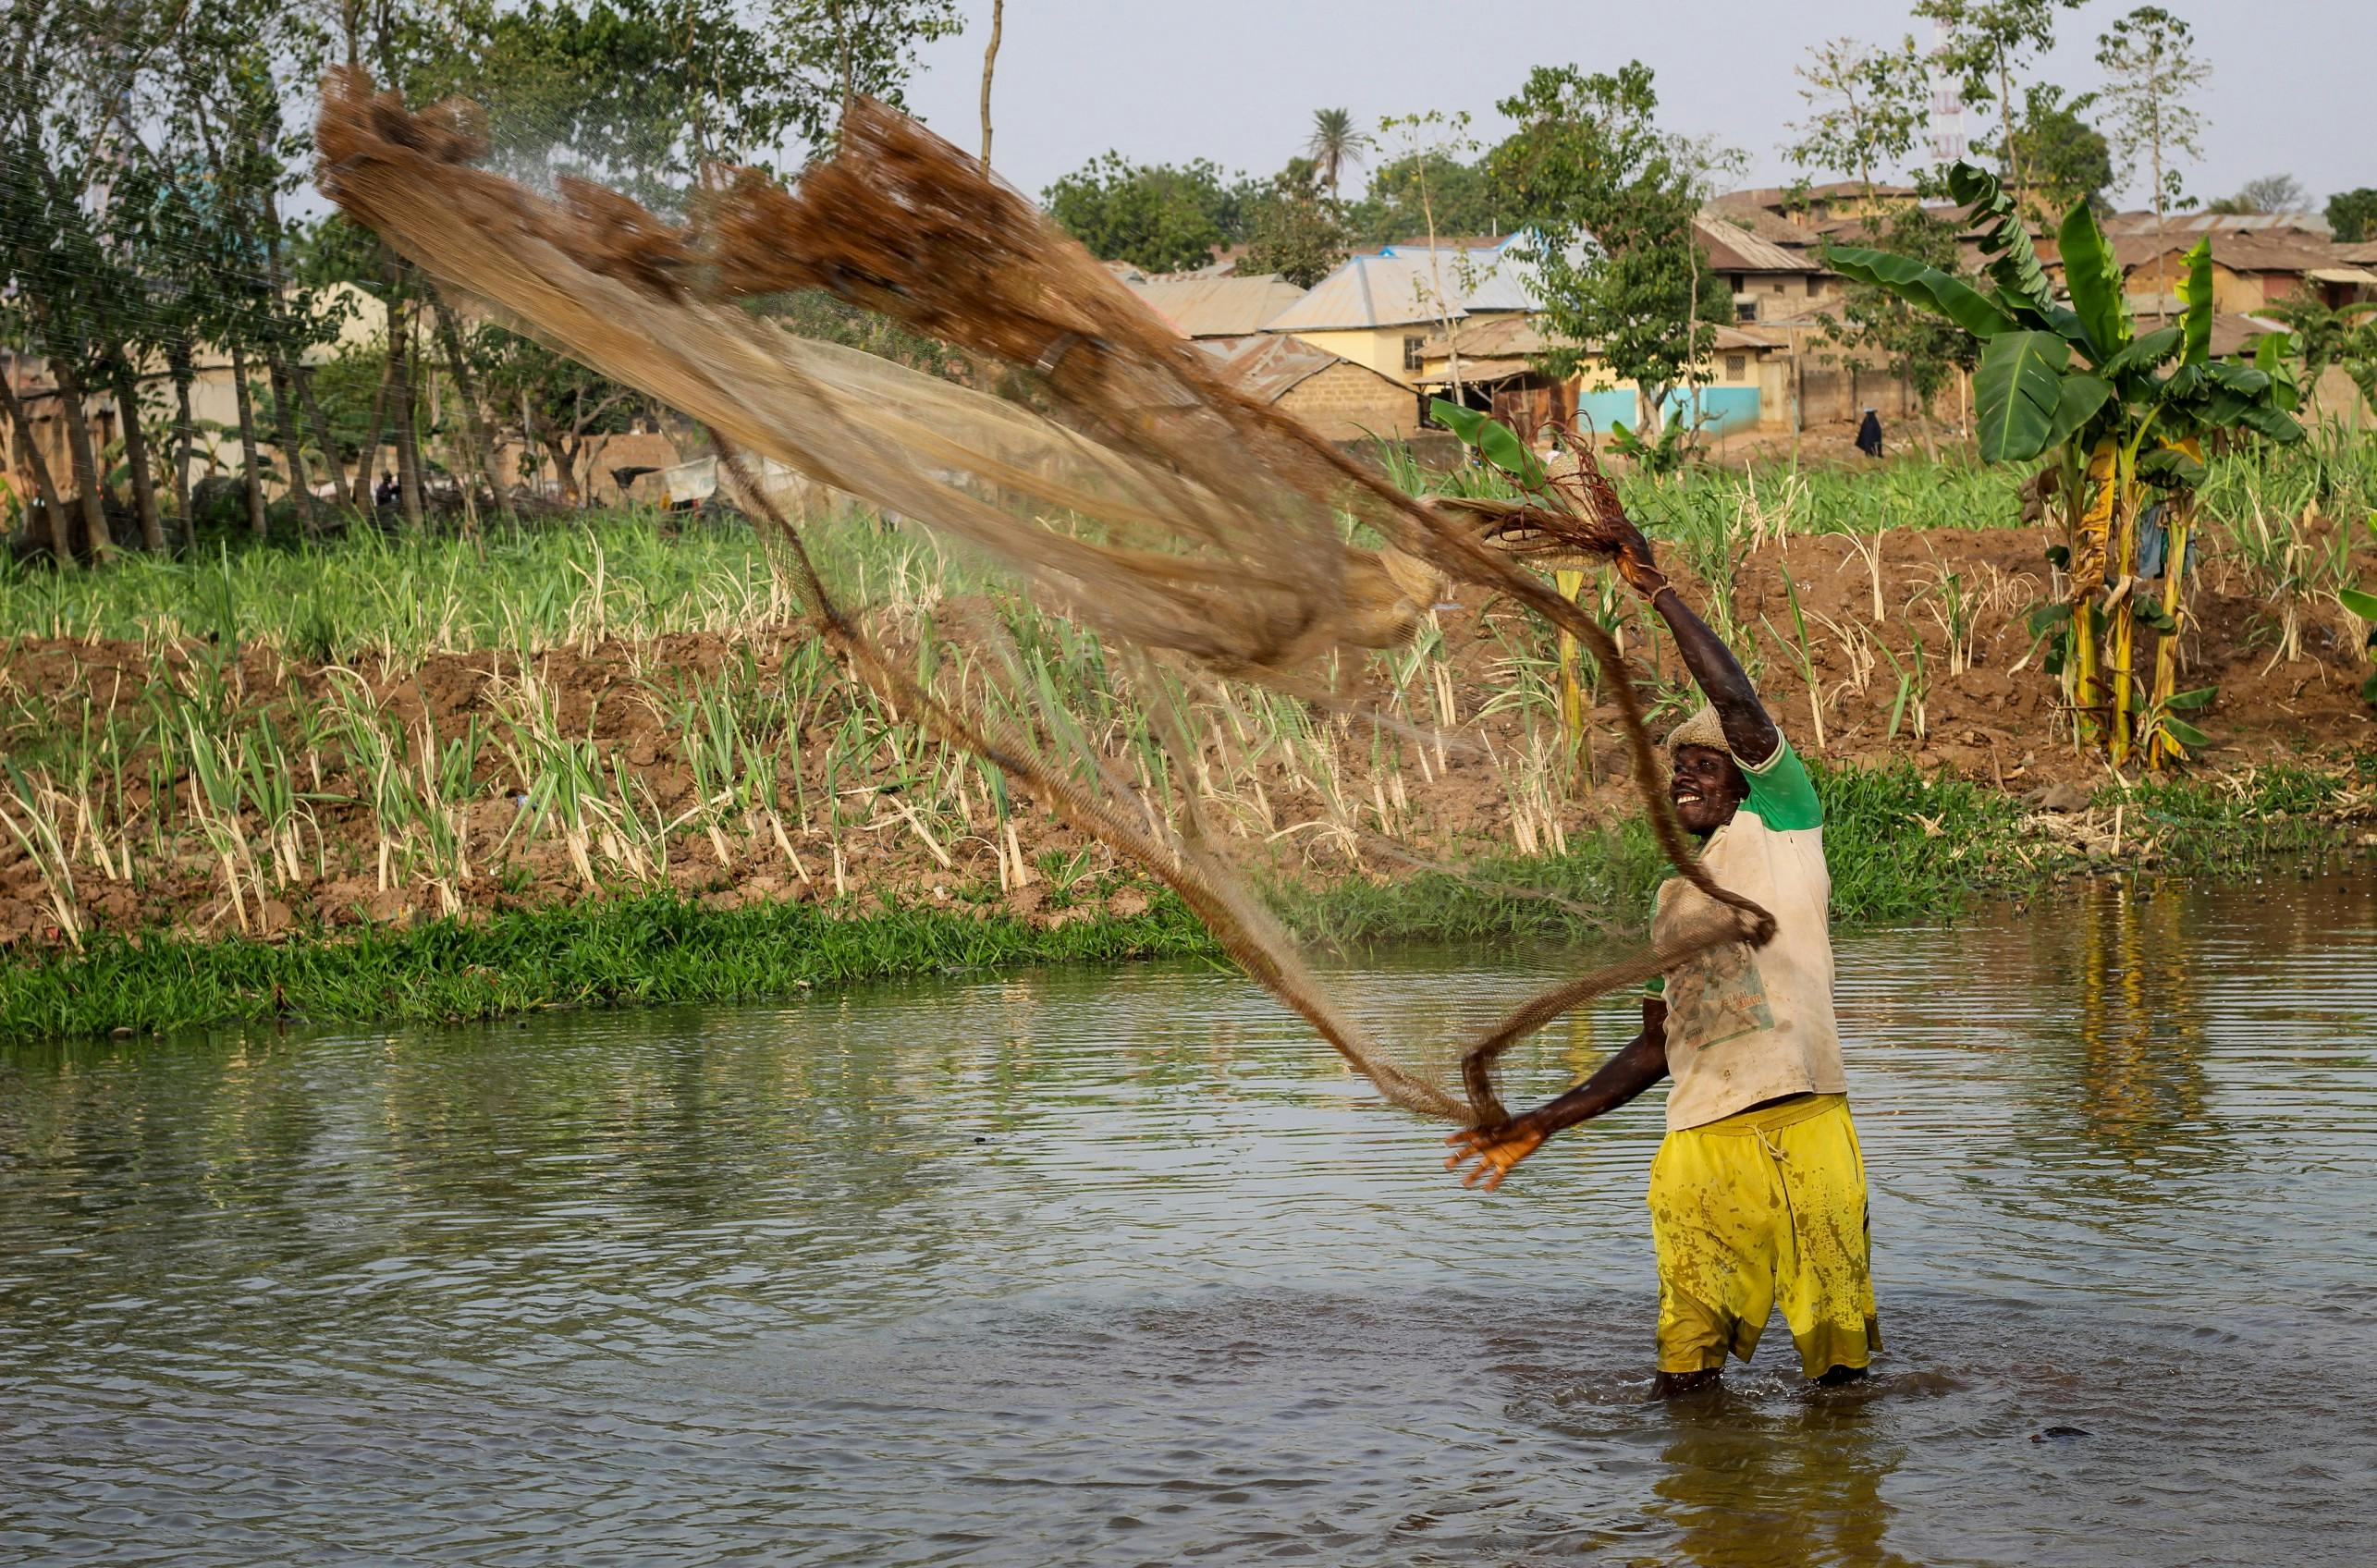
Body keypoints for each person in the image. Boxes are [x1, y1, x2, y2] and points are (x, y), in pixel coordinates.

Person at [1444, 521, 1880, 1398]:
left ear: (1745, 778)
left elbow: (1738, 703)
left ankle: (1838, 1508)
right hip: (1698, 1142)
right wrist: (1541, 1122)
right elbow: (1657, 1045)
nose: (1683, 779)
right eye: (1674, 769)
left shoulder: (1783, 822)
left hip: (1803, 1123)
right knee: (1684, 1367)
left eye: (1703, 767)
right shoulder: (1673, 900)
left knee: (1839, 1361)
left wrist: (1654, 589)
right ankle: (1704, 1515)